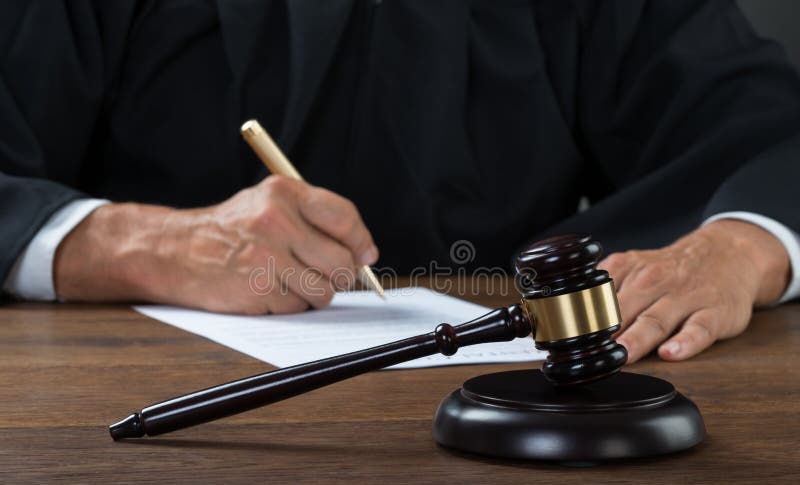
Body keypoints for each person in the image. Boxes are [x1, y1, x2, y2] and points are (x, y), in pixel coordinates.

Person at [1, 0, 798, 365]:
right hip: (143, 399)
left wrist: (741, 247)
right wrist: (134, 244)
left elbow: (762, 127)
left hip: (504, 413)